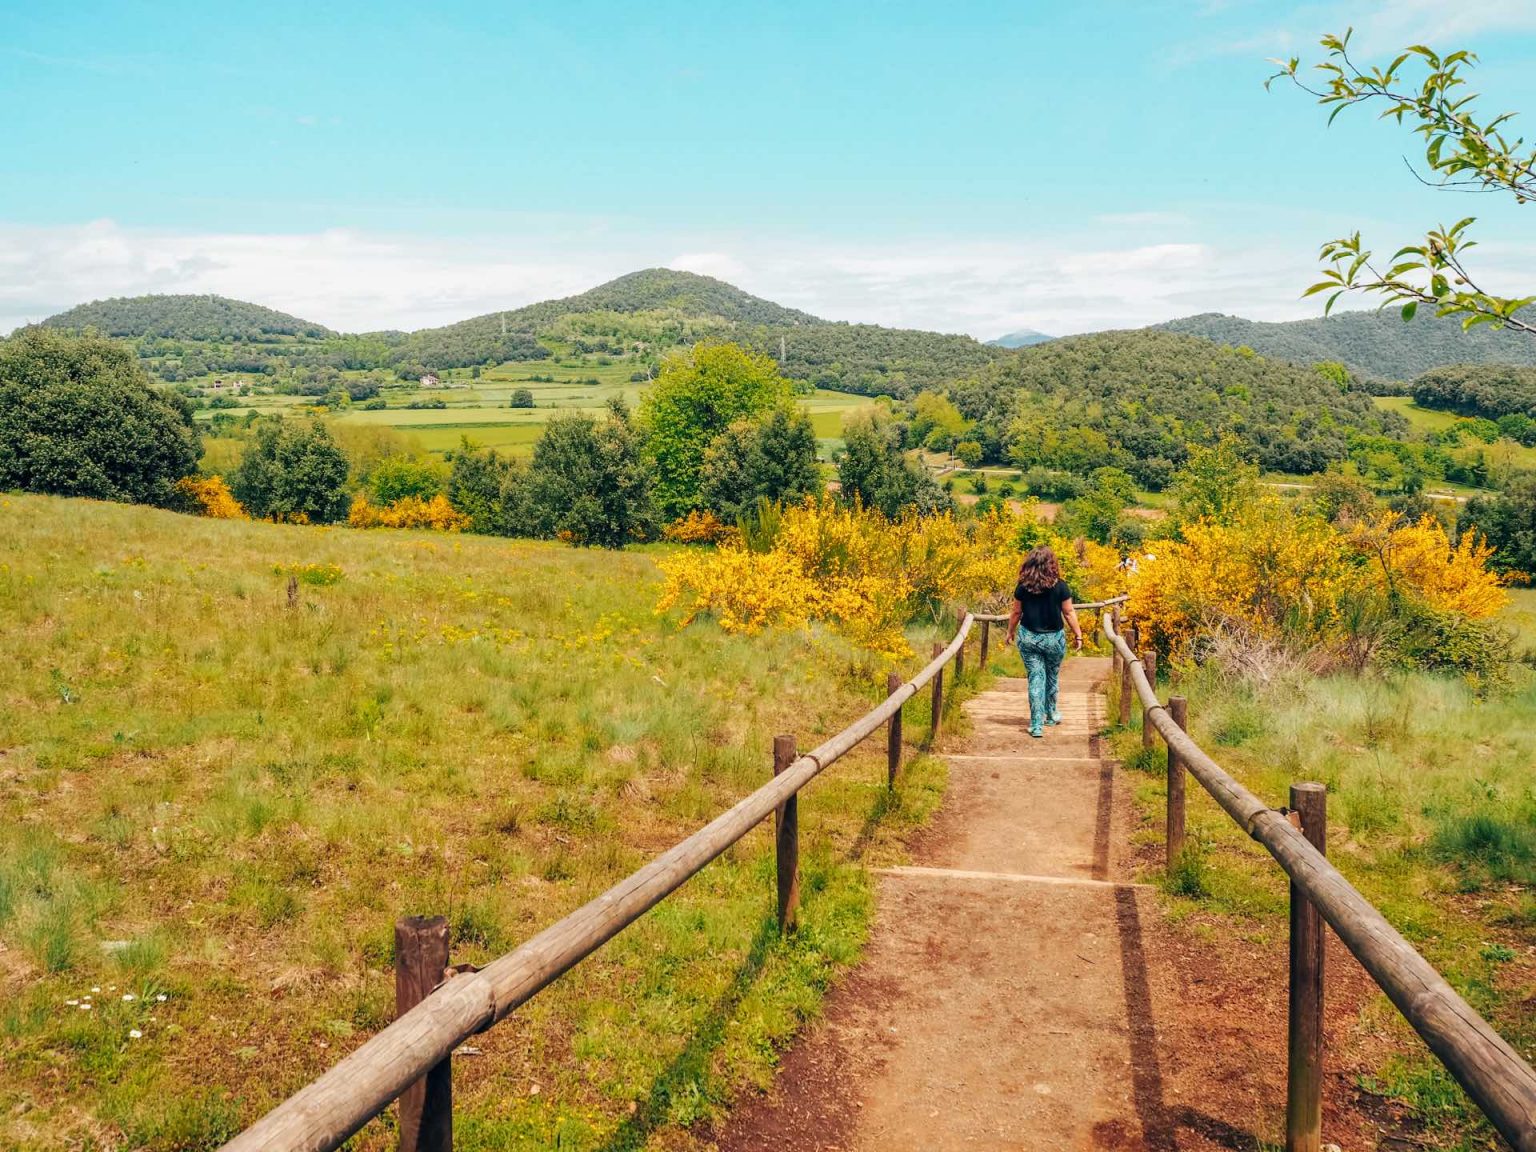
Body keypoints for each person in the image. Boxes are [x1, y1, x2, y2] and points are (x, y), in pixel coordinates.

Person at [1005, 545, 1083, 739]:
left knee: (1035, 677)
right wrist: (1078, 634)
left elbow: (1016, 612)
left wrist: (1010, 632)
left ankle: (1036, 724)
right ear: (1051, 564)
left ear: (1029, 564)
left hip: (1029, 638)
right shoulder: (1060, 586)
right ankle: (1051, 713)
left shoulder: (1023, 587)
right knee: (1051, 676)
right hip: (1054, 639)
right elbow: (1068, 612)